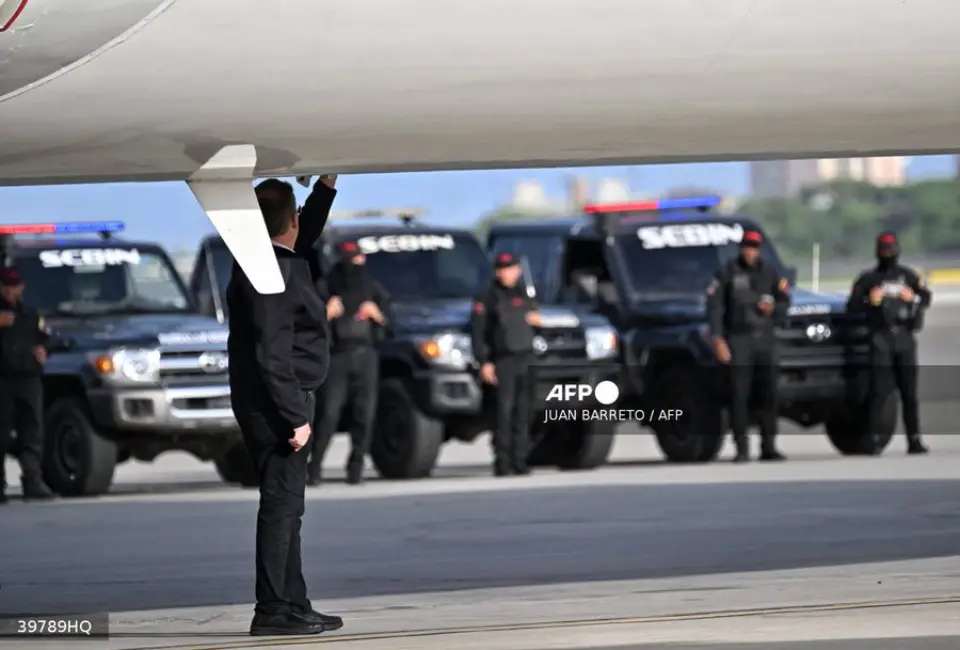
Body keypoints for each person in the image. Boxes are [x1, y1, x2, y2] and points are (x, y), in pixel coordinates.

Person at [226, 175, 344, 636]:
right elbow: (272, 354)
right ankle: (273, 608)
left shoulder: (268, 258)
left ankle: (294, 602)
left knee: (289, 507)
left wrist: (324, 189)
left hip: (277, 398)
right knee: (281, 507)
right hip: (279, 405)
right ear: (289, 220)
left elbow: (301, 233)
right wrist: (293, 416)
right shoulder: (271, 271)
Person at [308, 241, 390, 486]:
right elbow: (307, 326)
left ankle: (356, 468)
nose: (356, 263)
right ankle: (315, 468)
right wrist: (325, 313)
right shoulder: (325, 287)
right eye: (351, 259)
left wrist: (378, 316)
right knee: (329, 415)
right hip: (337, 357)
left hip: (365, 356)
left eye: (358, 258)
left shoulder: (372, 288)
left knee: (364, 415)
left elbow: (391, 327)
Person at [706, 229, 790, 463]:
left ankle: (769, 446)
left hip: (765, 339)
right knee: (739, 396)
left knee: (769, 394)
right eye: (746, 247)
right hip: (738, 340)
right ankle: (742, 447)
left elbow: (784, 301)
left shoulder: (770, 273)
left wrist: (774, 310)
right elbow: (715, 307)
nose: (750, 251)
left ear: (759, 249)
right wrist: (718, 339)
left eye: (754, 247)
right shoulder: (727, 273)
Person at [847, 231, 931, 455]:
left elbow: (926, 298)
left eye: (890, 249)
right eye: (883, 249)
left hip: (904, 338)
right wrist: (869, 301)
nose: (887, 253)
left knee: (909, 393)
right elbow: (852, 306)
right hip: (880, 338)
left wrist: (911, 298)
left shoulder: (908, 276)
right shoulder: (868, 279)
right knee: (879, 392)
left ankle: (914, 439)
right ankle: (874, 439)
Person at [470, 252, 542, 476]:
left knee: (524, 412)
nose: (505, 273)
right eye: (501, 269)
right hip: (503, 360)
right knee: (503, 412)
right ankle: (502, 461)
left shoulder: (524, 294)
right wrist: (484, 362)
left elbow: (535, 323)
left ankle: (520, 460)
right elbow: (478, 333)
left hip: (526, 358)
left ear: (517, 270)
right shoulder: (487, 296)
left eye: (509, 268)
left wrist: (537, 322)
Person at [0, 266, 55, 503]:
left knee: (32, 431)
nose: (11, 291)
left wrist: (45, 350)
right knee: (1, 433)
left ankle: (33, 481)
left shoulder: (31, 314)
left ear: (21, 288)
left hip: (29, 379)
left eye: (15, 287)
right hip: (2, 379)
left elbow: (47, 337)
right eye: (6, 286)